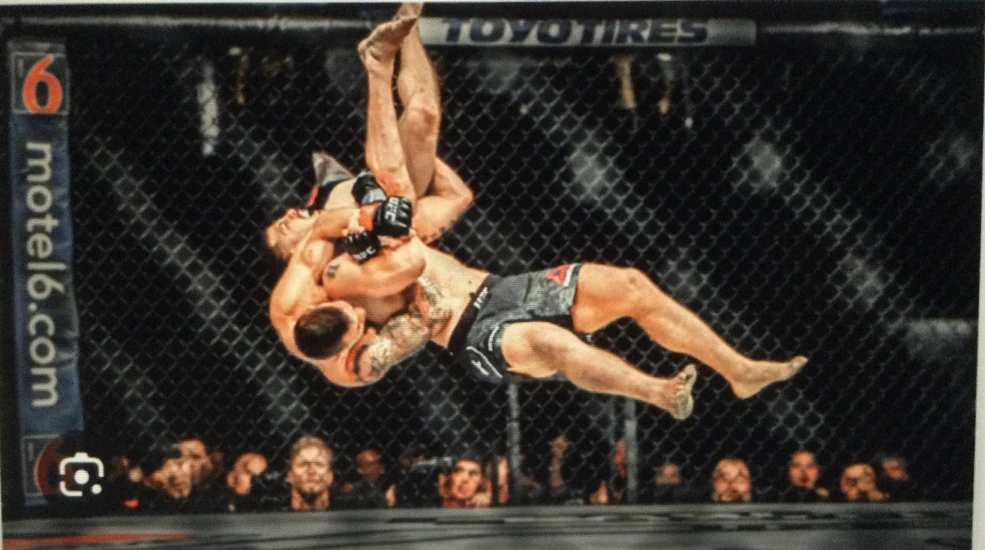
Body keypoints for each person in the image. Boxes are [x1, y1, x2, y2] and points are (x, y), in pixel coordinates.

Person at [270, 11, 807, 418]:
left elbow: (451, 195)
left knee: (630, 285)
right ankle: (659, 391)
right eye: (283, 231)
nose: (290, 219)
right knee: (553, 344)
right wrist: (415, 315)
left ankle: (739, 371)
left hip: (502, 288)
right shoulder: (342, 307)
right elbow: (384, 341)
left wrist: (401, 185)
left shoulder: (336, 247)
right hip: (470, 333)